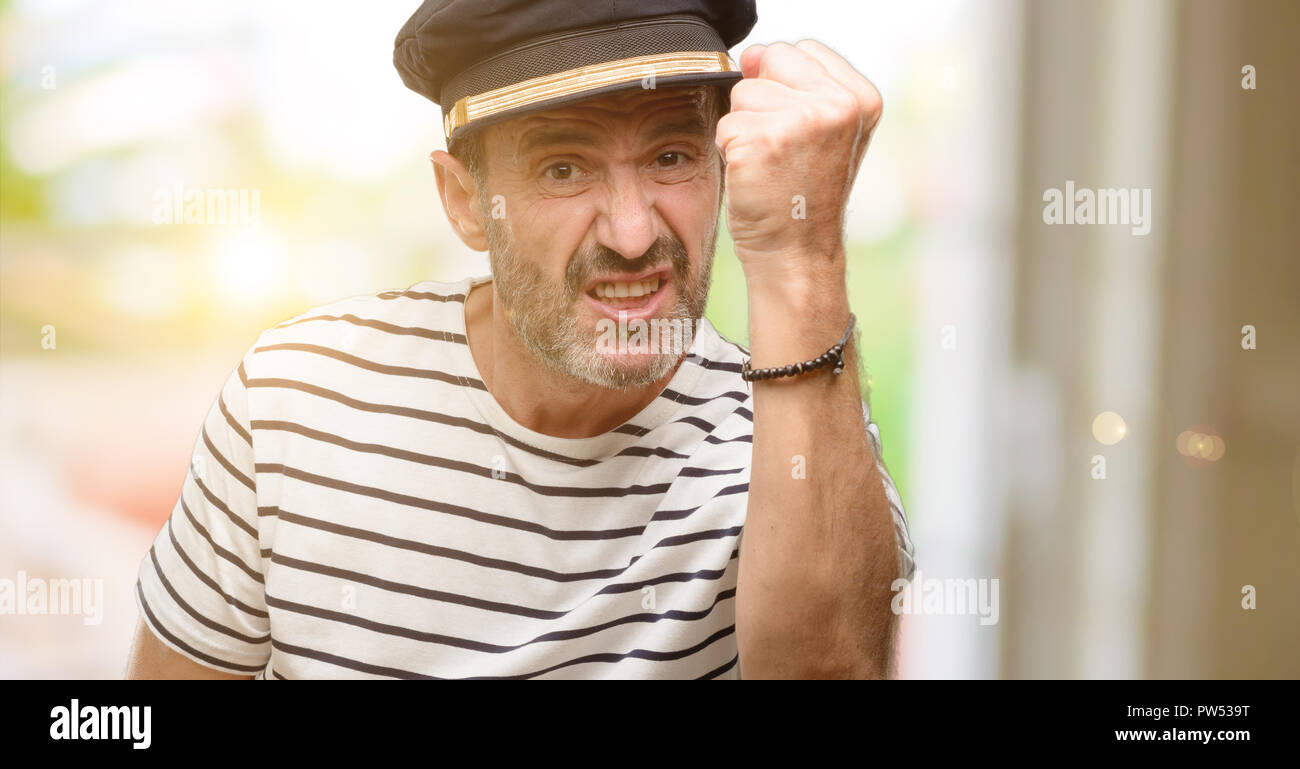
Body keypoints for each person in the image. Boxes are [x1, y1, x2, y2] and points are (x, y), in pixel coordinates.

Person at [125, 0, 915, 680]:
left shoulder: (795, 443)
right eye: (563, 168)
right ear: (464, 201)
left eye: (671, 155)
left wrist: (799, 257)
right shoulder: (292, 402)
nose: (634, 234)